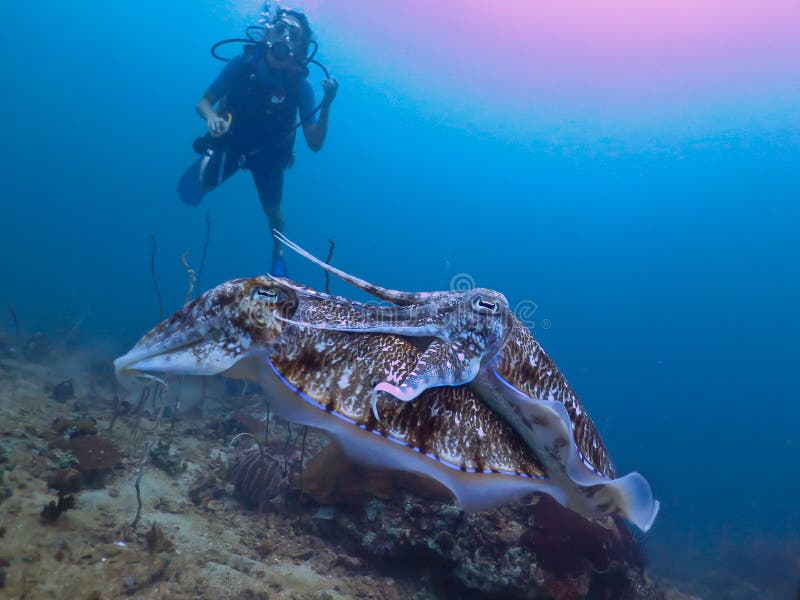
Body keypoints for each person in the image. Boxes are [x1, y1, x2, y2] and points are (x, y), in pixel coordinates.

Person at [180, 8, 338, 276]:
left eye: (294, 35)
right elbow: (203, 103)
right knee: (203, 186)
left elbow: (314, 143)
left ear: (301, 48)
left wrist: (326, 104)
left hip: (269, 156)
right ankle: (209, 152)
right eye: (280, 29)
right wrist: (212, 118)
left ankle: (278, 251)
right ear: (268, 31)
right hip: (231, 143)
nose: (285, 38)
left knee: (274, 214)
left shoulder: (300, 86)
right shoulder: (241, 65)